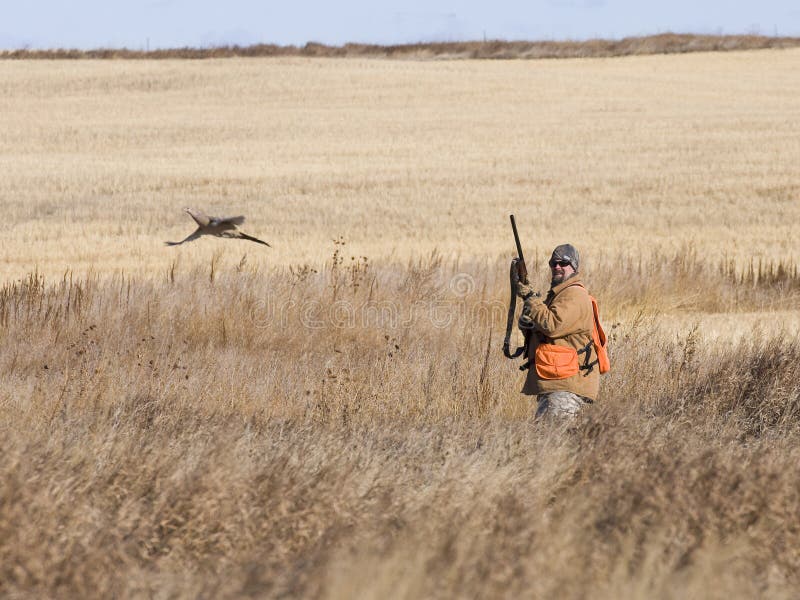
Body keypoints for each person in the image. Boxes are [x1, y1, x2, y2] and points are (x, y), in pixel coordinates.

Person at [511, 244, 600, 418]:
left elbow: (552, 325)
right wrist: (528, 323)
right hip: (558, 381)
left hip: (565, 384)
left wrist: (530, 297)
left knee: (552, 432)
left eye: (563, 263)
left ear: (574, 267)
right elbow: (545, 331)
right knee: (550, 434)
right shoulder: (559, 295)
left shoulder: (574, 294)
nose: (557, 266)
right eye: (553, 263)